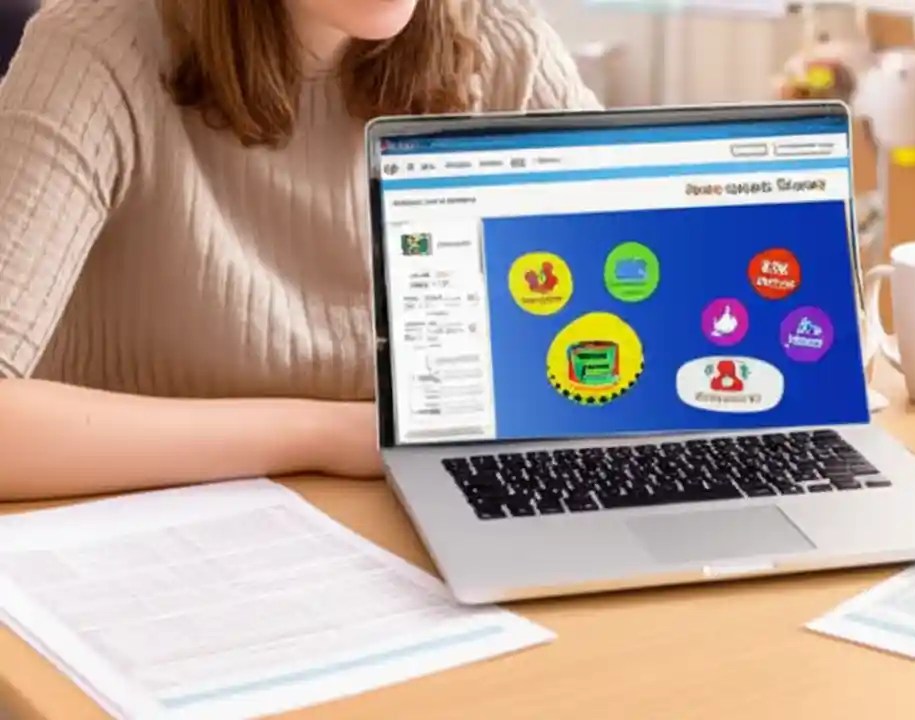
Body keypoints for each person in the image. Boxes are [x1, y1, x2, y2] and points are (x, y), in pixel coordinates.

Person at [0, 0, 599, 500]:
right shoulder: (94, 51)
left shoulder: (505, 49)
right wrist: (325, 435)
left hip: (401, 533)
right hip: (136, 543)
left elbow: (656, 331)